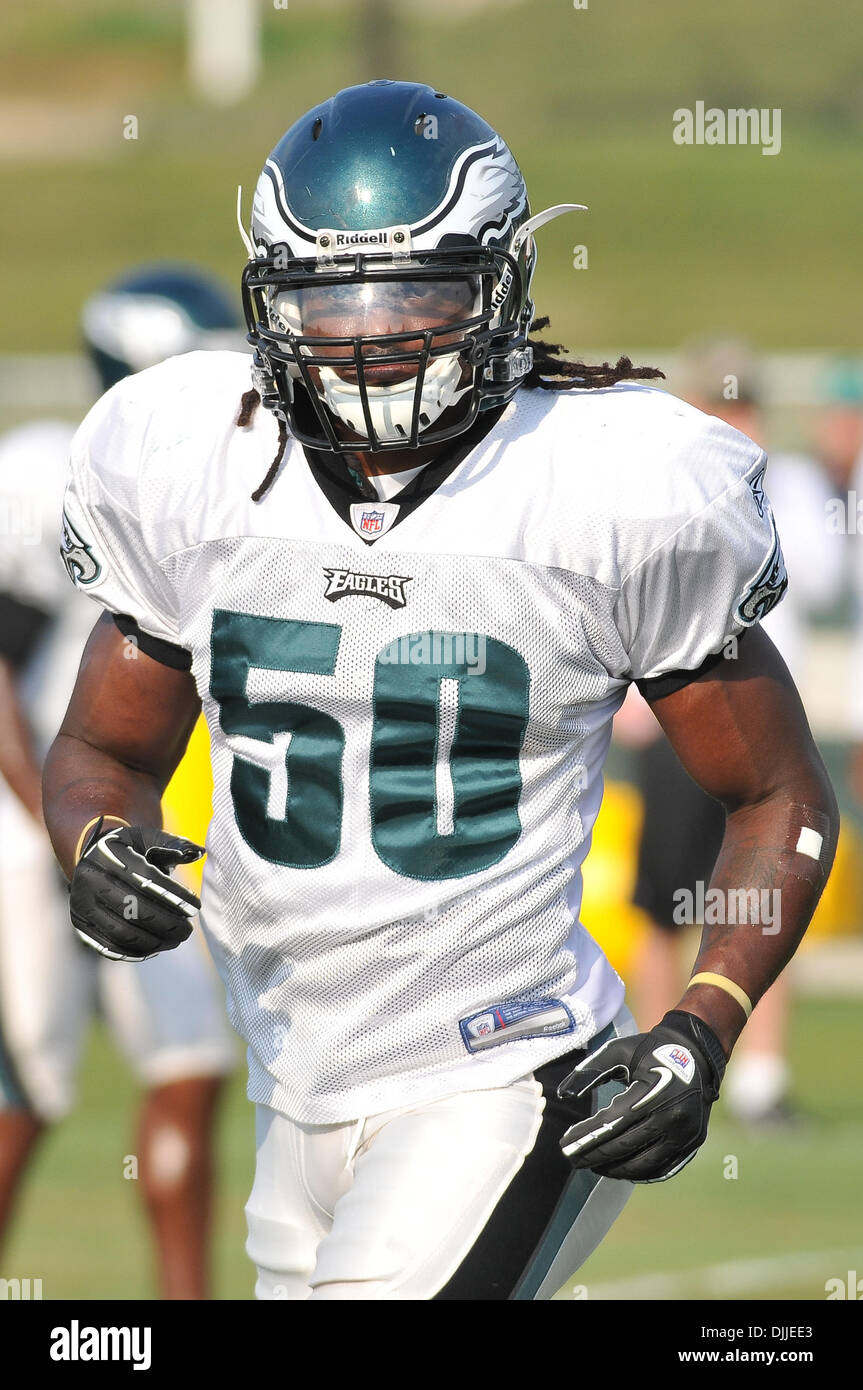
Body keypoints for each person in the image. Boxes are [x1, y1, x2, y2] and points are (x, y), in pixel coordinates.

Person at [42, 80, 838, 1301]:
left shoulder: (604, 483)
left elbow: (777, 792)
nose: (368, 339)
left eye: (414, 294)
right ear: (265, 300)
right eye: (327, 299)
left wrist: (701, 1026)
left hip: (504, 1078)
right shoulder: (191, 461)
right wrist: (92, 839)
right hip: (292, 1081)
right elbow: (101, 747)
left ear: (504, 286)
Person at [0, 266, 239, 1299]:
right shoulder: (47, 470)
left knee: (189, 1063)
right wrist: (54, 822)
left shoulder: (209, 484)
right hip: (32, 819)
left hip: (116, 817)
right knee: (27, 1085)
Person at [618, 338, 842, 1124]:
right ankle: (654, 1053)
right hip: (681, 718)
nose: (736, 420)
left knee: (761, 892)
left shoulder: (784, 493)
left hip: (763, 717)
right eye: (723, 406)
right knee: (662, 905)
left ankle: (756, 1074)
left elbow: (810, 581)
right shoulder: (659, 489)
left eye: (744, 406)